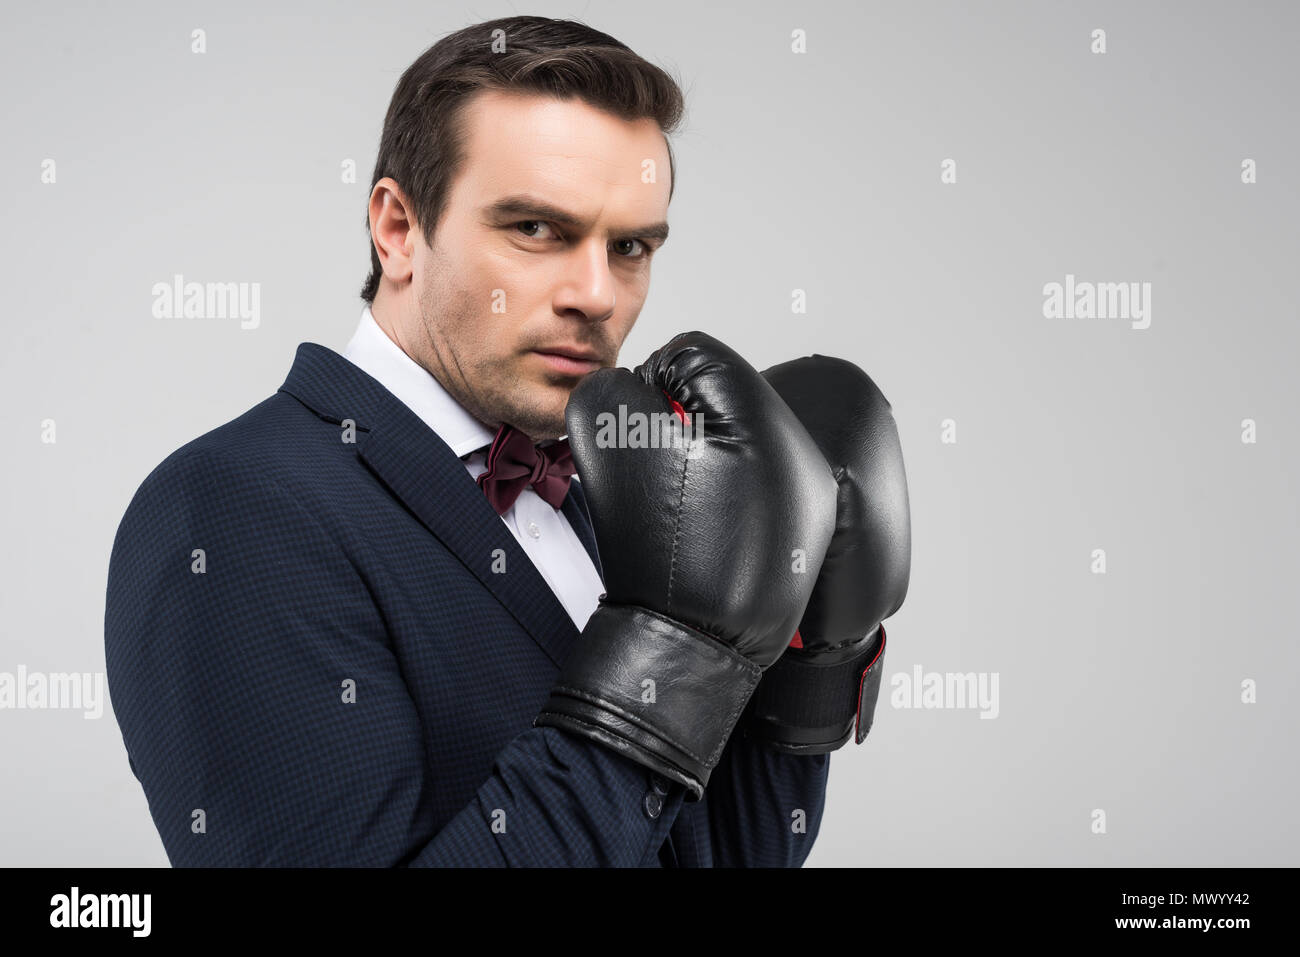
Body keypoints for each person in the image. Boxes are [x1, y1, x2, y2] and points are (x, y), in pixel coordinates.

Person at [104, 15, 910, 867]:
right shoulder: (232, 510)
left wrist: (812, 650)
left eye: (630, 246)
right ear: (398, 229)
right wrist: (669, 647)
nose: (597, 295)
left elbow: (725, 856)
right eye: (537, 230)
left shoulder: (623, 491)